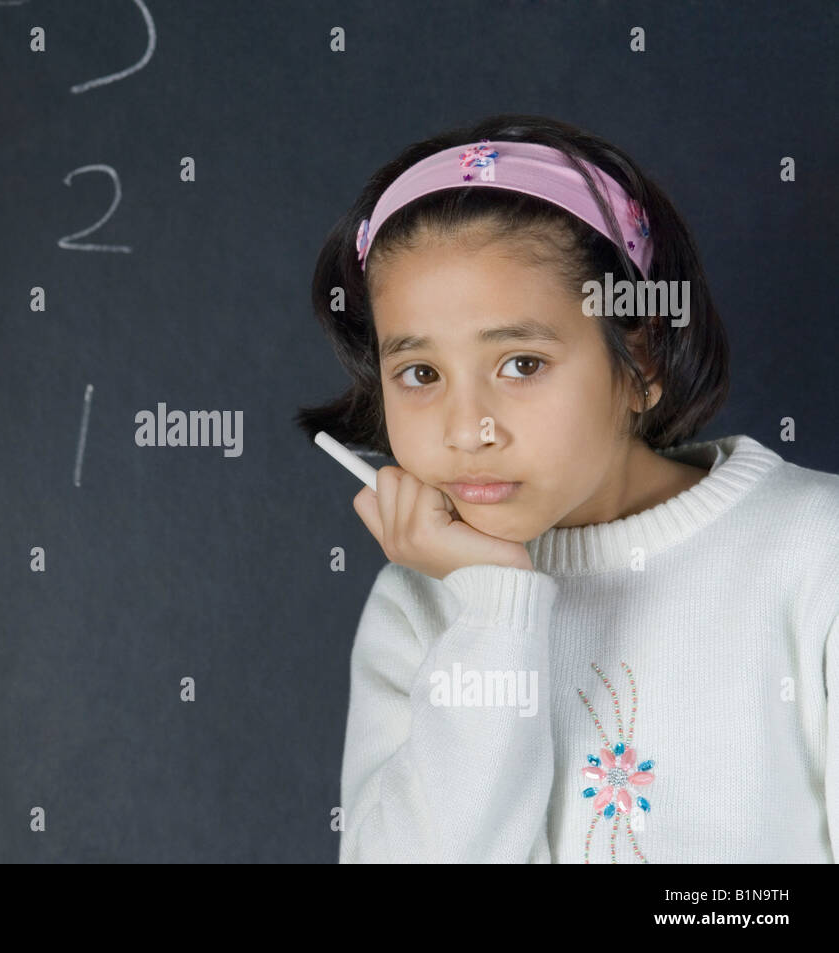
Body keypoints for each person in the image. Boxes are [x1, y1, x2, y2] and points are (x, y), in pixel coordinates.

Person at [295, 114, 839, 863]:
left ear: (640, 359)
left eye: (521, 363)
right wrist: (494, 604)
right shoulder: (421, 603)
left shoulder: (815, 550)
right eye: (420, 374)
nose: (467, 429)